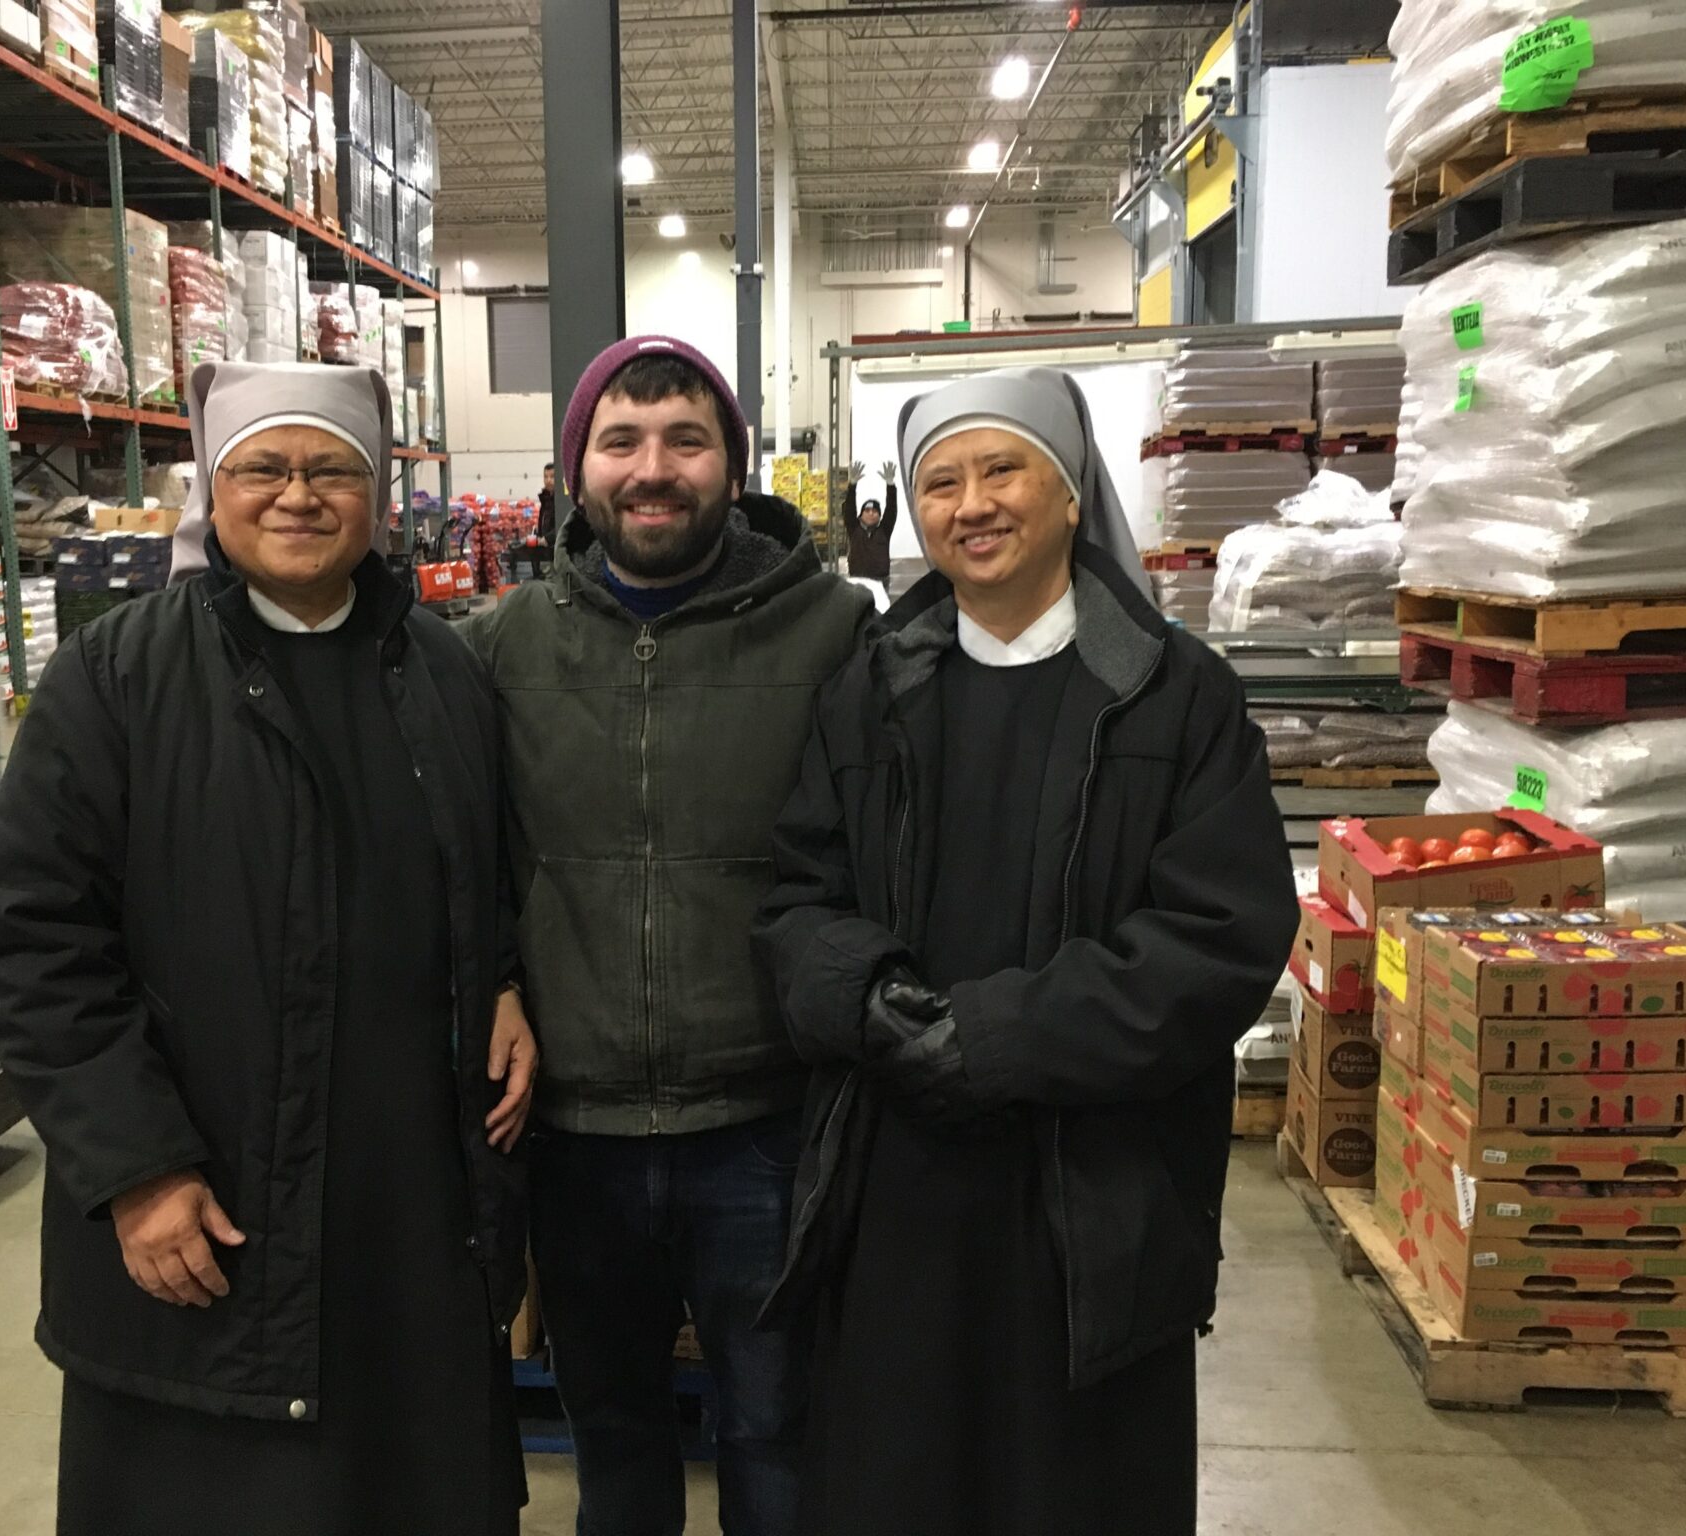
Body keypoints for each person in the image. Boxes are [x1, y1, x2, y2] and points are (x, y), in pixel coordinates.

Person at [0, 360, 535, 1536]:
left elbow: (495, 870)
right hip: (211, 1196)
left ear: (376, 496)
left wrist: (503, 981)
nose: (298, 495)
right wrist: (134, 1168)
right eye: (263, 467)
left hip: (408, 1202)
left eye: (332, 468)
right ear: (212, 489)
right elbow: (38, 942)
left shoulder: (443, 670)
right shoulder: (114, 679)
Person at [753, 367, 1297, 1534]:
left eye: (1001, 468)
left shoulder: (1171, 696)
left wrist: (996, 1038)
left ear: (1066, 491)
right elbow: (797, 898)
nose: (970, 504)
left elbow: (1218, 937)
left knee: (1075, 1492)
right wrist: (871, 1004)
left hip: (1091, 1198)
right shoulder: (870, 693)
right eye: (936, 482)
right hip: (894, 1190)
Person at [467, 335, 874, 1536]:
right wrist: (492, 977)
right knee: (618, 1449)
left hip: (765, 1128)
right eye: (622, 442)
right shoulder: (500, 648)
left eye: (686, 440)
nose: (655, 470)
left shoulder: (833, 633)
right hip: (576, 1137)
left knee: (776, 1440)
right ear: (577, 468)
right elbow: (454, 859)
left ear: (729, 463)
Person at [838, 460, 897, 593]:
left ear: (880, 516)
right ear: (861, 515)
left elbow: (892, 509)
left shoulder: (884, 530)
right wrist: (852, 485)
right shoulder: (854, 529)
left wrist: (890, 485)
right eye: (867, 510)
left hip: (881, 582)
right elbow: (849, 509)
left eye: (875, 511)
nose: (871, 513)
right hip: (858, 582)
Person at [537, 459, 559, 549]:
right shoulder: (545, 499)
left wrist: (548, 538)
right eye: (545, 477)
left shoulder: (560, 500)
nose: (548, 480)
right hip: (546, 548)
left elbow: (561, 523)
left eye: (552, 477)